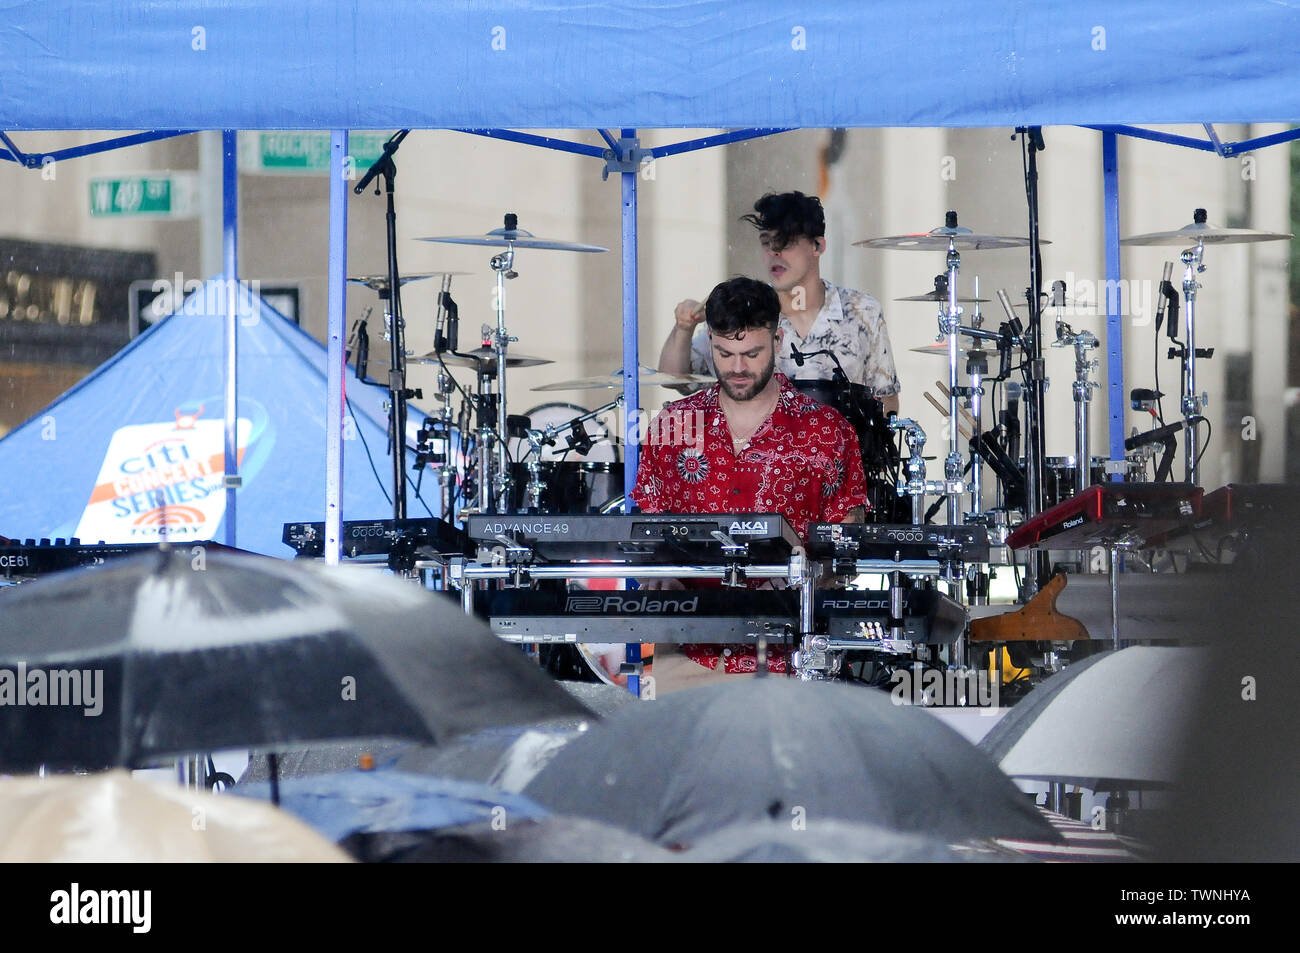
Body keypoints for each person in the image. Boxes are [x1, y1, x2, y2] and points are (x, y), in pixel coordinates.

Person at [632, 276, 869, 687]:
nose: (738, 368)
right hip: (689, 654)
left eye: (751, 353)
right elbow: (643, 529)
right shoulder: (673, 425)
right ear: (710, 343)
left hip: (792, 657)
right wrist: (659, 572)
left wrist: (805, 575)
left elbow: (848, 537)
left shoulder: (826, 430)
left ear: (777, 340)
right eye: (724, 353)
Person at [658, 190, 901, 416]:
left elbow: (886, 397)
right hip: (761, 459)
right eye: (766, 242)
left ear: (818, 245)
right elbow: (675, 380)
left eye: (785, 242)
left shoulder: (862, 310)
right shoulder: (745, 309)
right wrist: (683, 327)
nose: (774, 252)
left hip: (843, 457)